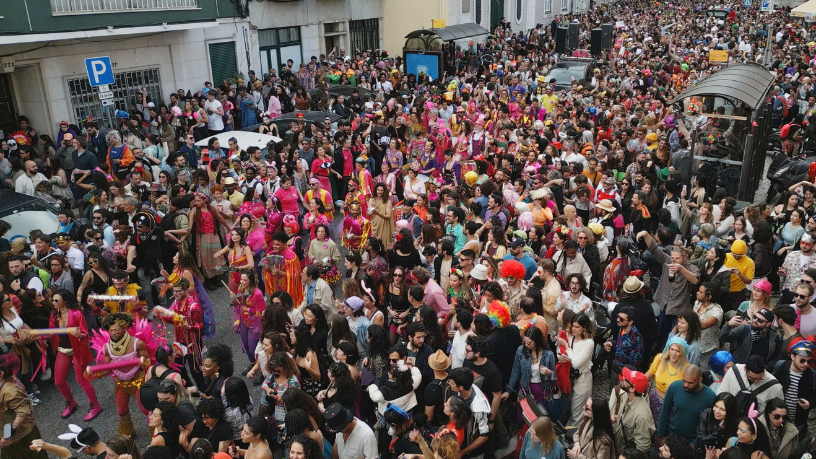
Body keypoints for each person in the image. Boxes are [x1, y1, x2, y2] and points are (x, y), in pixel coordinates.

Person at [86, 312, 150, 437]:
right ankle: (128, 433)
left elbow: (147, 363)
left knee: (145, 409)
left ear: (124, 328)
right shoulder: (107, 348)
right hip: (120, 382)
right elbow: (107, 369)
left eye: (117, 330)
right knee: (121, 411)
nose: (114, 333)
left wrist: (143, 364)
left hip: (138, 379)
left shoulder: (137, 343)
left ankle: (157, 431)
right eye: (111, 331)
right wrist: (95, 374)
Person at [49, 289, 102, 421]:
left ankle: (95, 405)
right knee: (59, 381)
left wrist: (80, 335)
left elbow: (85, 334)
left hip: (77, 349)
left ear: (65, 301)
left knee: (81, 379)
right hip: (63, 349)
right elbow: (51, 333)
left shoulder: (76, 314)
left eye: (56, 300)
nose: (54, 303)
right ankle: (71, 402)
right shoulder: (54, 315)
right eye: (52, 300)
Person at [0, 354, 48, 457]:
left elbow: (22, 412)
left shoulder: (10, 391)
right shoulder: (5, 382)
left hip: (22, 437)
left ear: (1, 373)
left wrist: (7, 435)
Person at [657, 365, 716, 443]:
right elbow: (665, 411)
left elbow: (708, 426)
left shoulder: (710, 396)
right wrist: (661, 436)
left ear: (700, 380)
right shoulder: (674, 387)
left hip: (691, 441)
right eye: (684, 381)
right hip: (670, 437)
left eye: (690, 383)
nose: (685, 385)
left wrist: (694, 445)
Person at [608, 366, 655, 454]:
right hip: (620, 448)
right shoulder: (626, 396)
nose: (623, 378)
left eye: (626, 379)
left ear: (632, 389)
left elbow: (642, 447)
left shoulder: (642, 416)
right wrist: (617, 418)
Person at [504, 326, 556, 404]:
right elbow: (515, 371)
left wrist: (549, 372)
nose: (526, 345)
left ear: (537, 341)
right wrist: (509, 390)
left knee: (539, 414)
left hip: (542, 389)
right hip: (525, 388)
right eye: (524, 341)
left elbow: (554, 377)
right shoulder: (520, 350)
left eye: (529, 343)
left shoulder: (549, 354)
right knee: (525, 413)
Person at [771, 340, 816, 429]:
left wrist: (809, 403)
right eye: (802, 360)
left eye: (809, 361)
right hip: (776, 419)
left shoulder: (812, 375)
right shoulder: (780, 367)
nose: (806, 364)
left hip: (798, 422)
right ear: (792, 356)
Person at [718, 355, 784, 413]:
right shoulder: (733, 371)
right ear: (745, 368)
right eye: (752, 378)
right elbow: (721, 394)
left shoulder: (775, 387)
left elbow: (779, 410)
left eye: (760, 378)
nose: (756, 381)